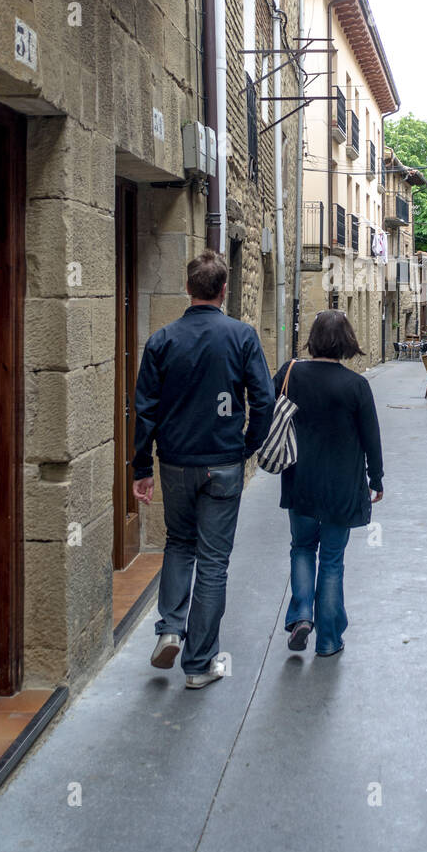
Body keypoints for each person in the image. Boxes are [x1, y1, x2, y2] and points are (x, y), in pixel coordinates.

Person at [132, 250, 275, 688]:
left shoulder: (161, 341)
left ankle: (170, 628)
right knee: (214, 562)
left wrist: (142, 466)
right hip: (223, 463)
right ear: (224, 289)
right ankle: (199, 665)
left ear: (188, 287)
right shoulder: (242, 337)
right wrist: (247, 446)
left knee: (179, 544)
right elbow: (264, 401)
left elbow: (143, 411)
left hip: (175, 462)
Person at [272, 311, 384, 657]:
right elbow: (371, 438)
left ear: (314, 339)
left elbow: (265, 409)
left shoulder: (289, 374)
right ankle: (329, 640)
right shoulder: (356, 386)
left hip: (300, 482)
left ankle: (302, 613)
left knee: (302, 548)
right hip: (341, 487)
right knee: (332, 560)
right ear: (347, 342)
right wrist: (375, 478)